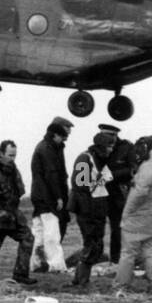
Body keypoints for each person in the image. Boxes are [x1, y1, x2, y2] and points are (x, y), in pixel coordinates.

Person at [114, 136, 152, 298]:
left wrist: (126, 214)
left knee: (128, 253)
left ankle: (121, 287)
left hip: (136, 218)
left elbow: (139, 193)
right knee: (150, 252)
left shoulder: (147, 167)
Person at [0, 140, 36, 286]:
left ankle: (20, 275)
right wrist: (0, 212)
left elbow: (19, 191)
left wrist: (13, 211)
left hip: (13, 216)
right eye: (10, 155)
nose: (13, 158)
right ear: (1, 153)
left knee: (27, 238)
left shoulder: (13, 170)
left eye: (15, 155)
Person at [68, 132, 115, 287]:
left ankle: (80, 279)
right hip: (87, 209)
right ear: (101, 146)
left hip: (99, 207)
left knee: (98, 245)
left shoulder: (102, 160)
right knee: (91, 244)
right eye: (109, 146)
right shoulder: (85, 158)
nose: (111, 149)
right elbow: (80, 187)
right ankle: (81, 280)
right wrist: (88, 211)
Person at [29, 120, 71, 273]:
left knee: (39, 233)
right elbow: (52, 174)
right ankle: (56, 266)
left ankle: (36, 263)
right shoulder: (48, 150)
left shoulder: (43, 147)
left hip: (39, 196)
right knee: (51, 233)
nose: (64, 139)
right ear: (55, 135)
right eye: (63, 136)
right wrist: (58, 197)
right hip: (47, 197)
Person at [98, 123, 137, 264]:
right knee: (98, 228)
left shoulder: (127, 147)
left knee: (118, 229)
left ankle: (117, 260)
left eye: (107, 135)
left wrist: (111, 176)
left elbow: (133, 169)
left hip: (119, 194)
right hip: (101, 194)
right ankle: (98, 258)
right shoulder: (98, 147)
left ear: (114, 135)